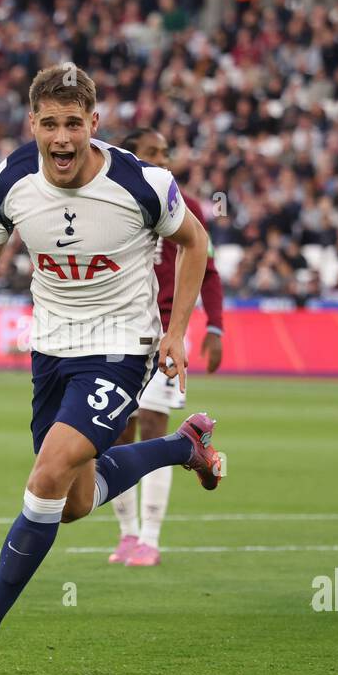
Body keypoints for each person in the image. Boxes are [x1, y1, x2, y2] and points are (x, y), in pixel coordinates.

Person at [0, 64, 225, 675]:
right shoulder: (10, 180)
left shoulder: (142, 183)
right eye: (50, 124)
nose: (62, 138)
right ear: (33, 124)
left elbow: (196, 242)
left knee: (46, 474)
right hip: (51, 350)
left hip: (124, 346)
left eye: (74, 123)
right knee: (70, 504)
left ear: (94, 125)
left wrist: (176, 333)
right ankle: (185, 446)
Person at [106, 127, 225, 567]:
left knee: (155, 424)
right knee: (117, 433)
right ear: (130, 157)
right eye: (152, 152)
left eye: (165, 152)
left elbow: (209, 271)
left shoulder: (186, 206)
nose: (163, 159)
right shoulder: (112, 200)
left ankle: (151, 538)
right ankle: (127, 533)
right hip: (116, 330)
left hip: (166, 331)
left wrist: (216, 328)